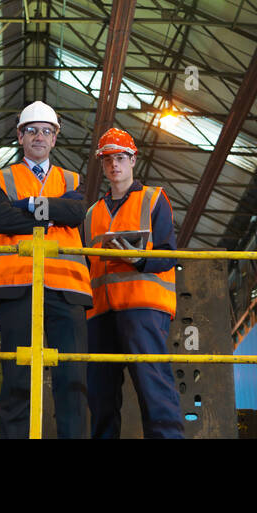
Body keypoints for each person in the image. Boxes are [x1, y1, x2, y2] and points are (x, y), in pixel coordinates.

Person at [0, 101, 91, 438]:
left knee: (72, 379)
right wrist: (53, 211)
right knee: (17, 377)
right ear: (20, 136)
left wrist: (26, 206)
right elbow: (2, 219)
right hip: (17, 288)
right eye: (32, 131)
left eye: (46, 131)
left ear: (55, 138)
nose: (39, 137)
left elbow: (76, 214)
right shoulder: (0, 178)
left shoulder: (74, 178)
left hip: (65, 288)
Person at [83, 127, 183, 439]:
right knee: (100, 395)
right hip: (100, 313)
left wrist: (139, 259)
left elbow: (168, 254)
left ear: (133, 160)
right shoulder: (91, 214)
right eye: (109, 159)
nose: (115, 165)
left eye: (121, 158)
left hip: (143, 308)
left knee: (153, 386)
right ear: (102, 164)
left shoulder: (154, 199)